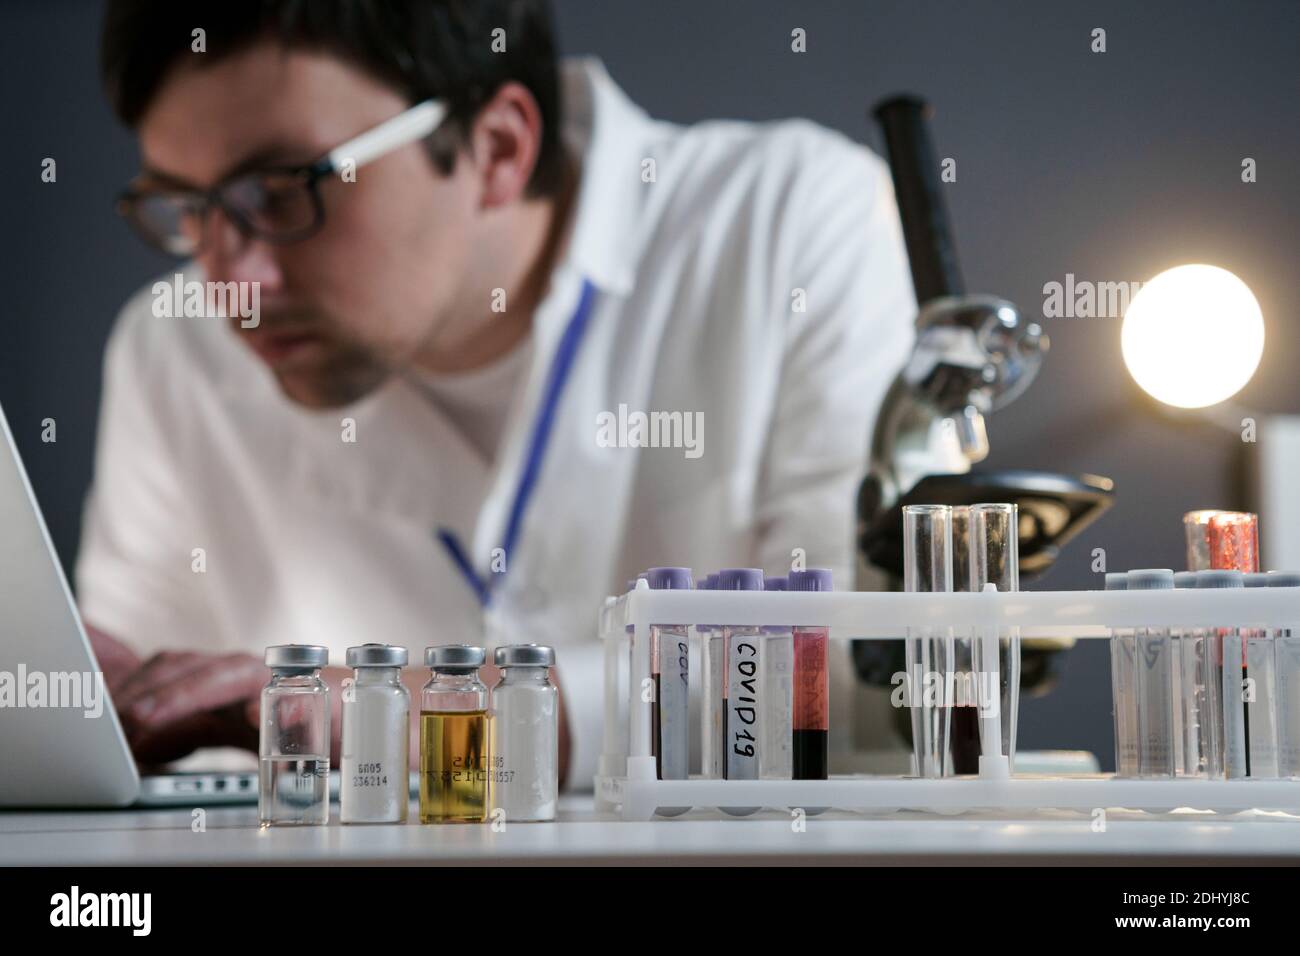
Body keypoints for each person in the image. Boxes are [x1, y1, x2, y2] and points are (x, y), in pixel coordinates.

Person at [82, 0, 917, 789]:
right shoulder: (171, 349)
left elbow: (852, 677)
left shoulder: (790, 225)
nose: (232, 285)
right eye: (187, 208)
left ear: (498, 148)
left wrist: (378, 715)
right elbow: (142, 730)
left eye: (281, 191)